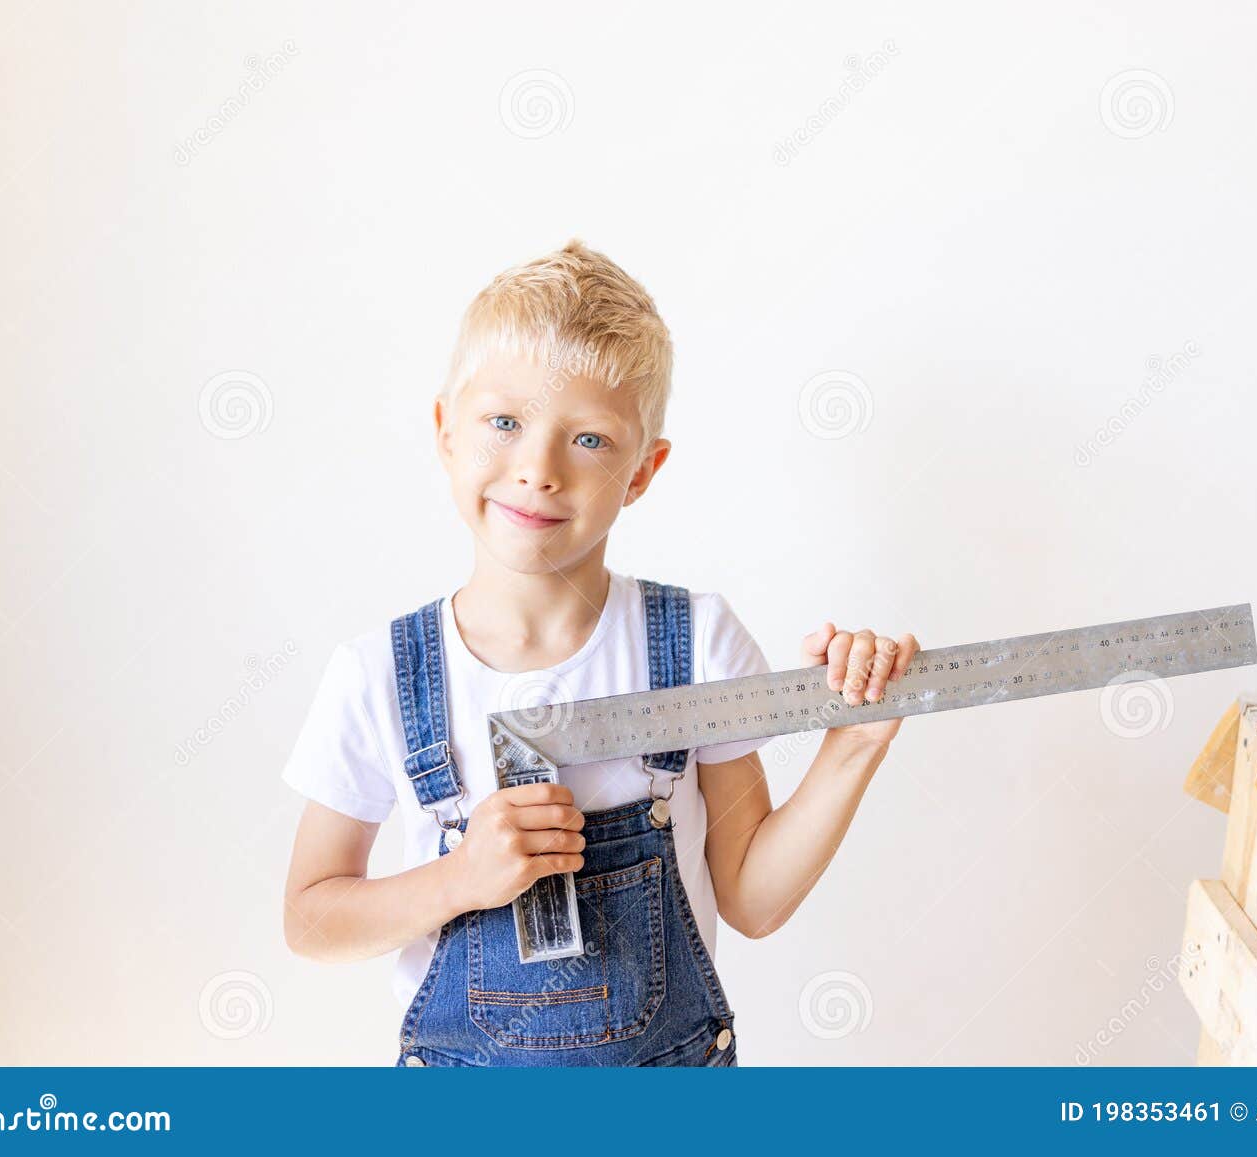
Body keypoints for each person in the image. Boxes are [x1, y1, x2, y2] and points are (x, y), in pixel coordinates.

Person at [280, 238, 919, 1066]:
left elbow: (753, 899)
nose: (538, 469)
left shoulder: (697, 644)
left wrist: (854, 744)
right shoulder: (378, 675)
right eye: (503, 422)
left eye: (588, 440)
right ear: (446, 430)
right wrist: (460, 878)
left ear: (644, 470)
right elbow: (310, 919)